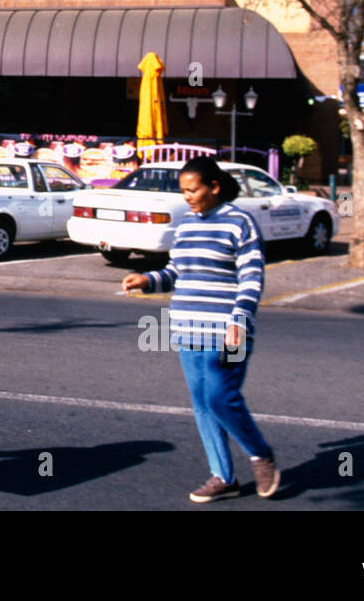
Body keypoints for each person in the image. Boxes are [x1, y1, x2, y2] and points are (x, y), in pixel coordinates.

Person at [121, 156, 279, 503]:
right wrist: (148, 279)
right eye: (183, 192)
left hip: (231, 330)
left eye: (193, 190)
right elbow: (176, 271)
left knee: (221, 396)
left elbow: (252, 277)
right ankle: (223, 476)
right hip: (187, 326)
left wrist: (240, 319)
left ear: (214, 187)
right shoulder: (187, 225)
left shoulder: (240, 223)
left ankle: (259, 453)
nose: (188, 197)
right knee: (202, 403)